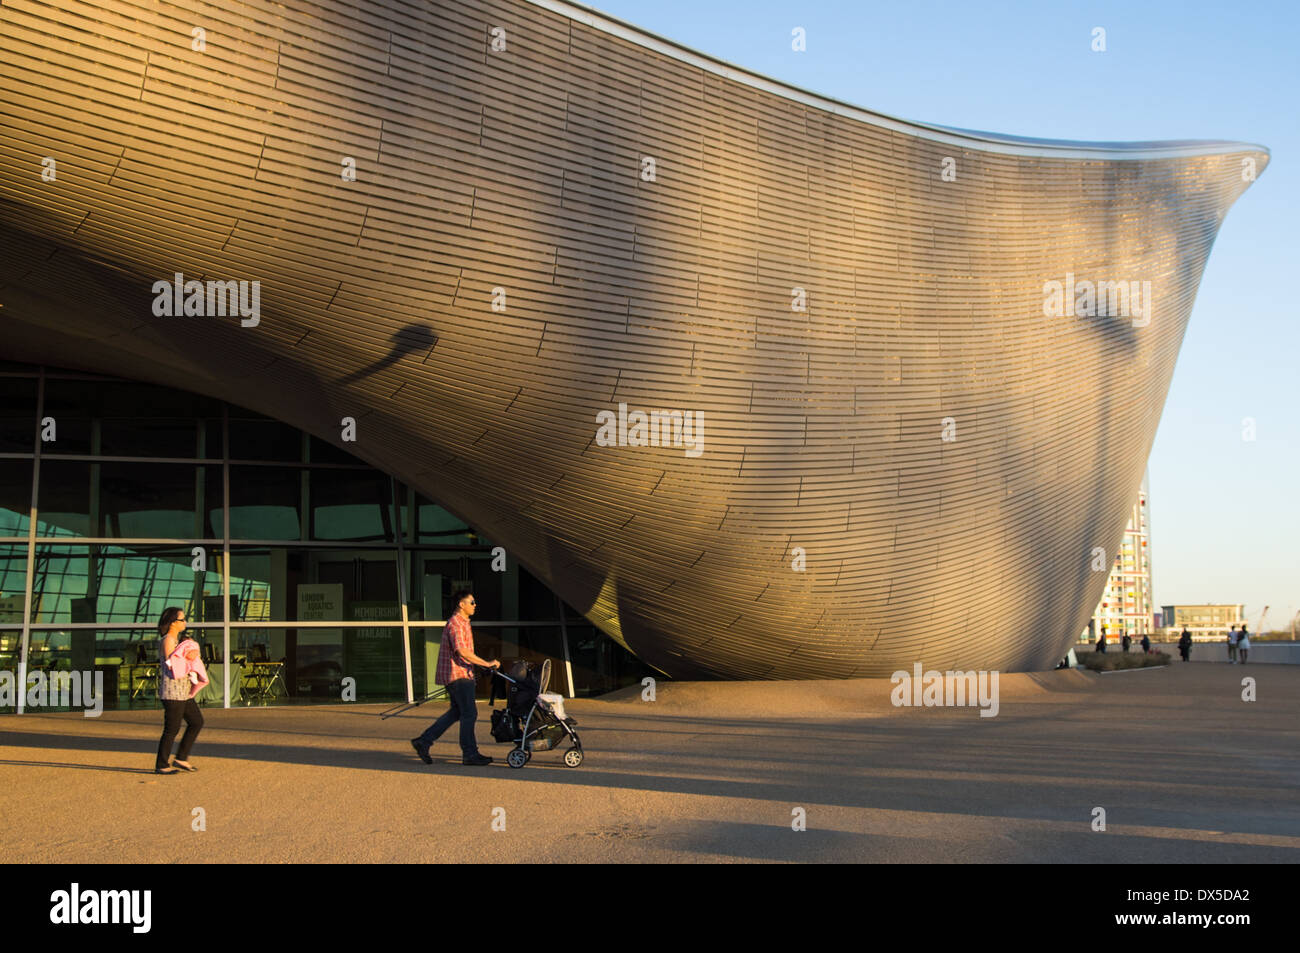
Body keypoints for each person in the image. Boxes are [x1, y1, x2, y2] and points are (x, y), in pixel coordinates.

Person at [410, 589, 500, 766]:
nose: (475, 605)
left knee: (456, 712)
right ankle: (470, 754)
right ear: (461, 604)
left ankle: (424, 741)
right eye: (472, 602)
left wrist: (477, 667)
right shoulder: (456, 624)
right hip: (458, 676)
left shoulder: (464, 623)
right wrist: (486, 664)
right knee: (469, 713)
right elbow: (462, 651)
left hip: (461, 674)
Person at [154, 606, 203, 774]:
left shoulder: (179, 640)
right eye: (182, 619)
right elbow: (172, 664)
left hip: (183, 691)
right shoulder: (168, 640)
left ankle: (181, 758)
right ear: (173, 623)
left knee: (196, 721)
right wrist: (188, 655)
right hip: (172, 692)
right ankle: (161, 764)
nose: (185, 622)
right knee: (171, 729)